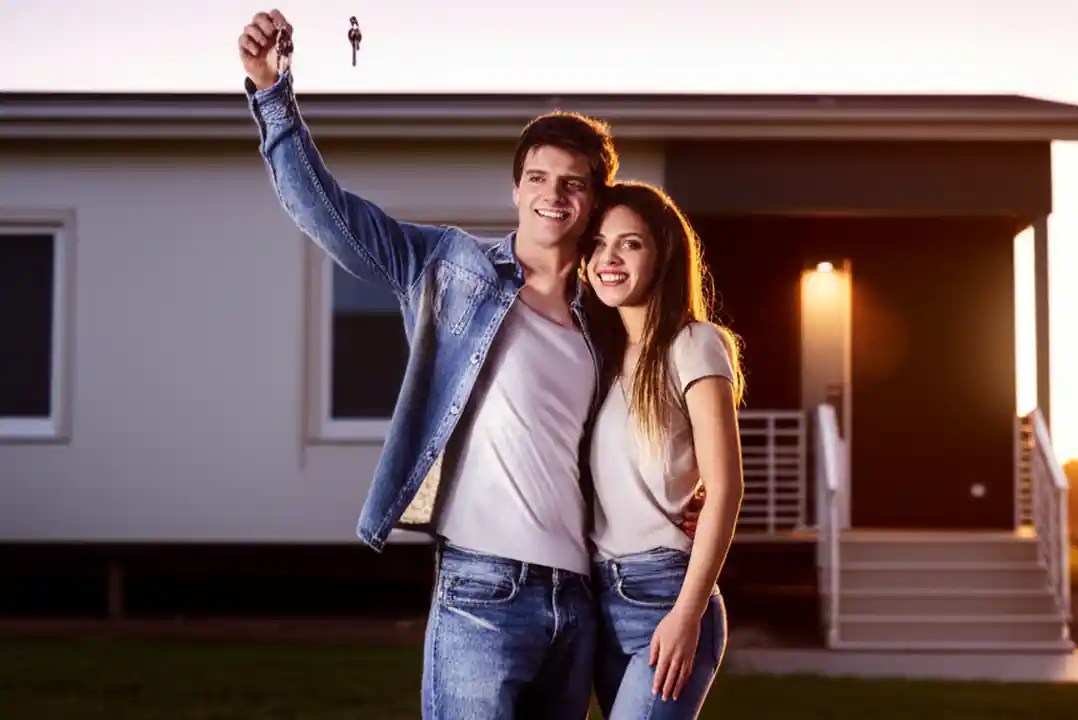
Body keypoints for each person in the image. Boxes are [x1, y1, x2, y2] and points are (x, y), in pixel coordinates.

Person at [237, 10, 660, 719]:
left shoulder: (606, 324)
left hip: (580, 599)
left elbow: (635, 436)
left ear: (593, 202)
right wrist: (272, 93)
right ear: (515, 189)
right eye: (537, 177)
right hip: (482, 593)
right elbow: (329, 215)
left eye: (573, 183)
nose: (553, 193)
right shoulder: (449, 267)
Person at [582, 181, 745, 718]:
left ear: (663, 254)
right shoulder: (595, 357)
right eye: (599, 243)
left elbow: (724, 489)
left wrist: (688, 614)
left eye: (630, 243)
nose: (610, 257)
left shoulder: (694, 344)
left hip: (665, 594)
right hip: (594, 594)